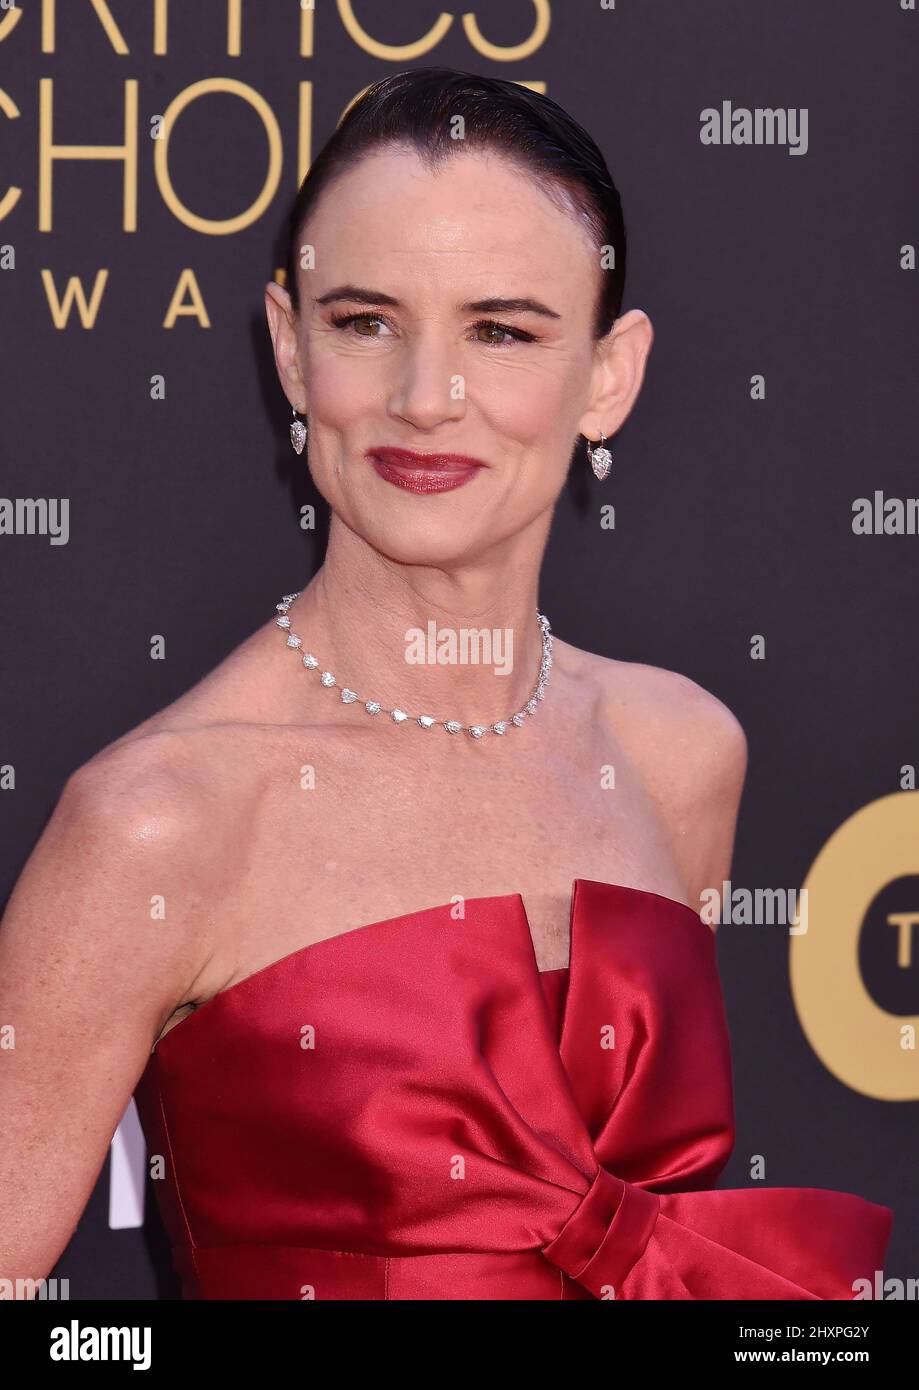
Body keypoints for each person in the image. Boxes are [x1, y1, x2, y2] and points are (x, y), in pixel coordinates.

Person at [0, 68, 891, 1300]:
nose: (426, 399)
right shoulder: (161, 820)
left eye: (502, 330)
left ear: (606, 377)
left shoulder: (678, 750)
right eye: (364, 321)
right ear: (289, 350)